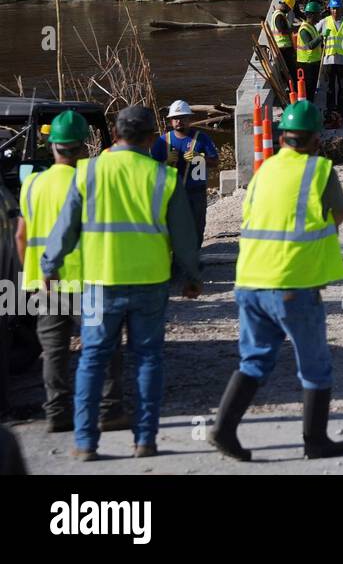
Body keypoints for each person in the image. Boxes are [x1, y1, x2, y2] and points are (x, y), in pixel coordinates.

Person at [43, 105, 202, 461]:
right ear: (150, 138)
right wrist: (192, 276)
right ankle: (145, 440)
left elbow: (66, 228)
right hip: (150, 283)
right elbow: (184, 234)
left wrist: (49, 265)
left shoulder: (88, 172)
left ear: (114, 135)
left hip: (99, 283)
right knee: (148, 359)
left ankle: (85, 443)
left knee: (93, 360)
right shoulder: (164, 177)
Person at [210, 100, 343, 462]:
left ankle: (223, 429)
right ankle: (314, 441)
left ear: (284, 137)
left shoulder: (264, 171)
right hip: (293, 284)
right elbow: (339, 212)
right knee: (315, 364)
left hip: (249, 281)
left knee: (254, 360)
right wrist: (319, 236)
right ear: (316, 138)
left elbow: (250, 216)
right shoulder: (319, 170)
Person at [16, 112, 128, 435]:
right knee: (101, 347)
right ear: (83, 146)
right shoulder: (92, 179)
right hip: (90, 280)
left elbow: (21, 236)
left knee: (53, 350)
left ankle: (57, 412)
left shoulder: (32, 184)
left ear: (51, 146)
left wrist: (31, 275)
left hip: (47, 284)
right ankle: (108, 409)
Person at [151, 100, 219, 248]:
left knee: (197, 227)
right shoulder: (163, 141)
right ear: (170, 121)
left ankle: (194, 255)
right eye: (175, 118)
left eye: (182, 117)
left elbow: (215, 162)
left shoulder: (202, 138)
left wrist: (199, 157)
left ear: (189, 119)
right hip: (172, 193)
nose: (179, 121)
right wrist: (165, 162)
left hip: (196, 192)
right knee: (173, 228)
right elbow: (150, 169)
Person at [318, 0, 343, 121]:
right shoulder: (324, 22)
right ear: (329, 9)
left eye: (337, 8)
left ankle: (342, 110)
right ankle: (331, 109)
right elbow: (315, 34)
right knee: (330, 87)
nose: (335, 11)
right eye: (333, 8)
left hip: (342, 60)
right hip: (329, 59)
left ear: (342, 9)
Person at [296, 0, 323, 102]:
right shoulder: (304, 29)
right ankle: (307, 109)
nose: (320, 16)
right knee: (308, 90)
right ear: (311, 15)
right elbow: (310, 45)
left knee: (312, 91)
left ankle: (311, 108)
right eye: (318, 14)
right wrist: (321, 37)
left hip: (313, 62)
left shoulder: (312, 27)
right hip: (306, 64)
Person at [270, 0, 297, 85]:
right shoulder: (279, 16)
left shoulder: (279, 14)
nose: (289, 10)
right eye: (289, 8)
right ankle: (293, 88)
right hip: (283, 47)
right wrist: (293, 30)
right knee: (291, 69)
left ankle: (291, 87)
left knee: (290, 69)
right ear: (285, 5)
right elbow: (282, 31)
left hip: (283, 46)